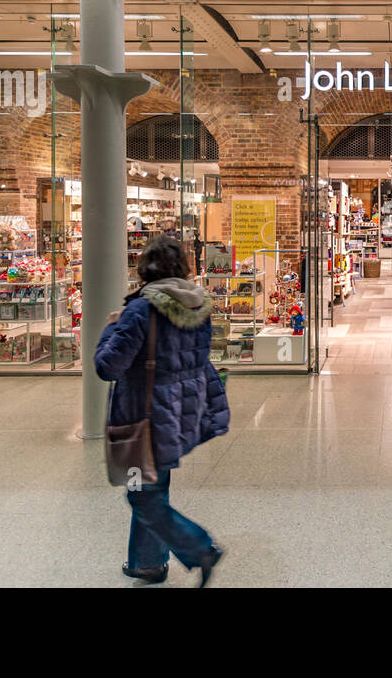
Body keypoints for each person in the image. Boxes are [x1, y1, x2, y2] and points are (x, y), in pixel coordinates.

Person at [95, 236, 230, 587]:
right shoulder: (197, 307)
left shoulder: (141, 310)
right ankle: (147, 563)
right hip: (181, 417)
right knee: (154, 487)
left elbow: (107, 366)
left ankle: (200, 547)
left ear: (146, 268)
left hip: (146, 419)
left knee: (139, 494)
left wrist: (112, 325)